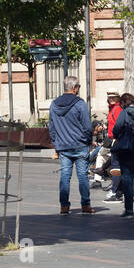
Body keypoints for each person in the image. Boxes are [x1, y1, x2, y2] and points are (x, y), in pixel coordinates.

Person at [48, 76, 94, 214]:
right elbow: (87, 126)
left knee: (65, 177)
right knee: (83, 176)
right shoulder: (80, 104)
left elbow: (52, 127)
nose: (79, 88)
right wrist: (88, 140)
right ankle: (85, 205)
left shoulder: (54, 104)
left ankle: (64, 206)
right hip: (80, 145)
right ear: (74, 88)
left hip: (63, 146)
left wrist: (56, 143)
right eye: (78, 86)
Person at [103, 92, 123, 202]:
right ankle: (116, 190)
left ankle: (116, 192)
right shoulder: (113, 109)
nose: (111, 99)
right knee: (116, 166)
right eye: (109, 97)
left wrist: (116, 138)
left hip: (117, 140)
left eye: (113, 97)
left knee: (116, 166)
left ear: (118, 98)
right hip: (114, 140)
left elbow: (119, 125)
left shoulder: (117, 109)